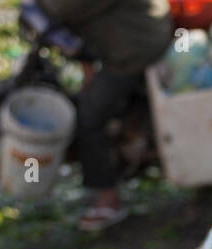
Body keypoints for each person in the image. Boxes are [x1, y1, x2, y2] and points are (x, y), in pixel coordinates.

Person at [37, 0, 174, 231]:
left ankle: (108, 200)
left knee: (89, 116)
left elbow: (66, 8)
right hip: (132, 34)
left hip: (137, 46)